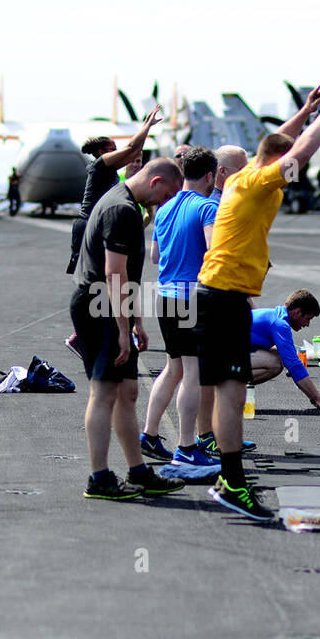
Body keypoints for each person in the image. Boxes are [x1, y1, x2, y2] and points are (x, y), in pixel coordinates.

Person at [195, 83, 320, 520]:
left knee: (227, 390)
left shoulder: (245, 177)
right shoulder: (258, 181)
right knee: (230, 393)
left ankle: (226, 476)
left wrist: (305, 110)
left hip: (218, 294)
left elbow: (276, 142)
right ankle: (232, 484)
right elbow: (300, 152)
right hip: (223, 297)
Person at [70, 158, 187, 501]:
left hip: (109, 304)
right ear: (155, 182)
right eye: (168, 194)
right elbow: (114, 274)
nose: (166, 202)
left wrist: (136, 322)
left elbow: (126, 277)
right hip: (98, 304)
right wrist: (123, 330)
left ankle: (138, 472)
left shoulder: (125, 203)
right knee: (104, 391)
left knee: (128, 392)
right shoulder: (121, 210)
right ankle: (99, 478)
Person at [139, 147, 220, 472]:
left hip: (165, 296)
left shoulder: (164, 208)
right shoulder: (208, 207)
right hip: (192, 298)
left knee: (173, 368)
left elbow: (155, 257)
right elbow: (215, 252)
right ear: (210, 176)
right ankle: (187, 447)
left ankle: (149, 433)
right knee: (193, 373)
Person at [64, 106, 164, 359]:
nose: (119, 151)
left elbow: (132, 151)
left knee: (105, 282)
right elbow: (132, 149)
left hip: (97, 226)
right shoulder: (100, 166)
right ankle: (81, 337)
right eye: (113, 148)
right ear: (102, 152)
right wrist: (147, 126)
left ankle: (93, 334)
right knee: (97, 281)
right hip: (88, 226)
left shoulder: (111, 173)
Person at [248, 291, 320, 412]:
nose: (307, 324)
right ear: (297, 312)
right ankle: (228, 388)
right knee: (274, 364)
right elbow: (294, 365)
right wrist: (318, 400)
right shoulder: (280, 324)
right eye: (308, 318)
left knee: (279, 354)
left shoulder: (275, 316)